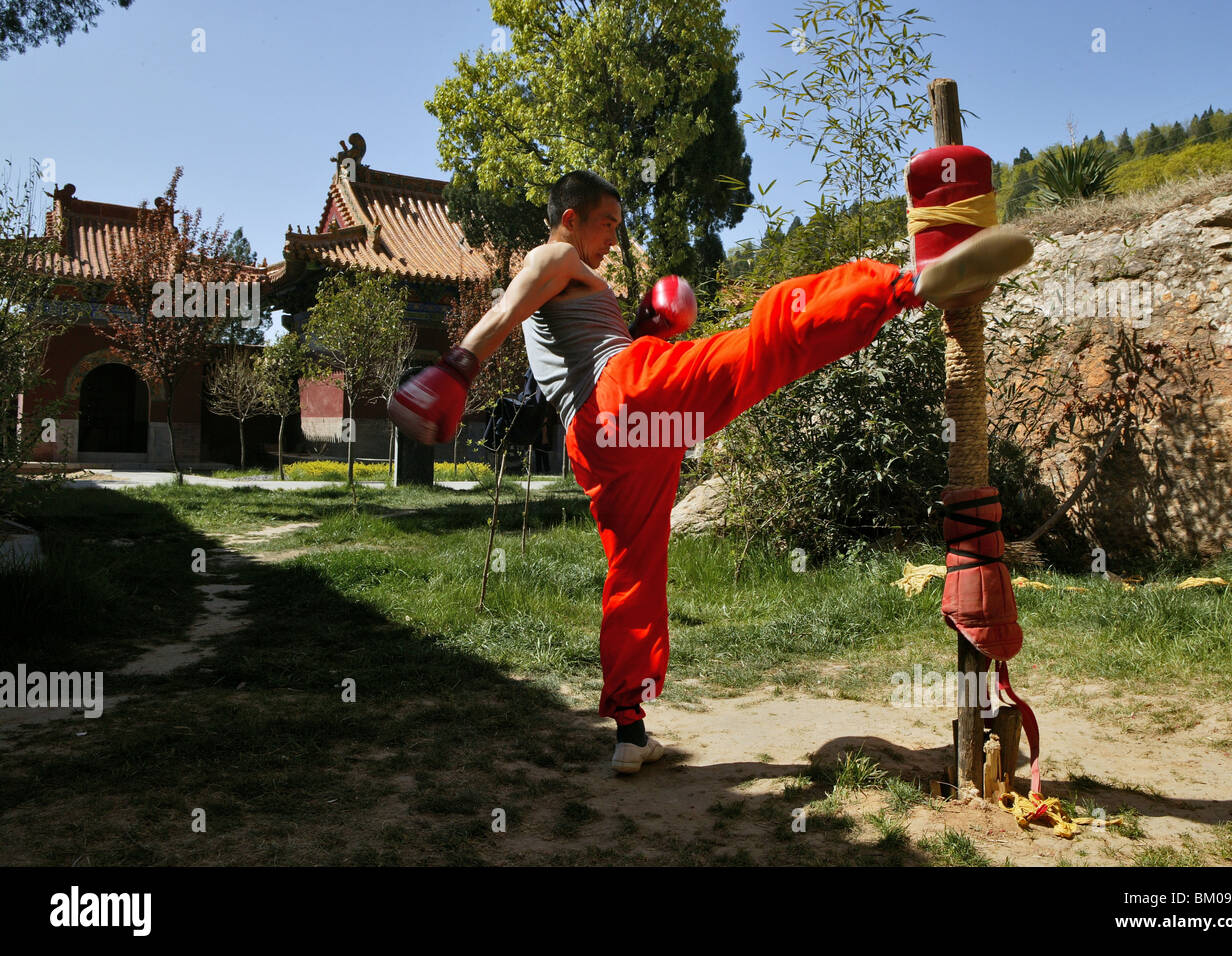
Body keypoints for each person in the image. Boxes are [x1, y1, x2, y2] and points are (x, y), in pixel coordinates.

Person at [388, 170, 1031, 774]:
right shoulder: (554, 258)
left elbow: (562, 350)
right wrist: (457, 367)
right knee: (760, 345)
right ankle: (909, 283)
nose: (615, 238)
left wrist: (643, 326)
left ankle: (630, 733)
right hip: (624, 394)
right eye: (608, 224)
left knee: (635, 573)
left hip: (604, 441)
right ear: (570, 218)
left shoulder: (572, 279)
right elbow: (505, 313)